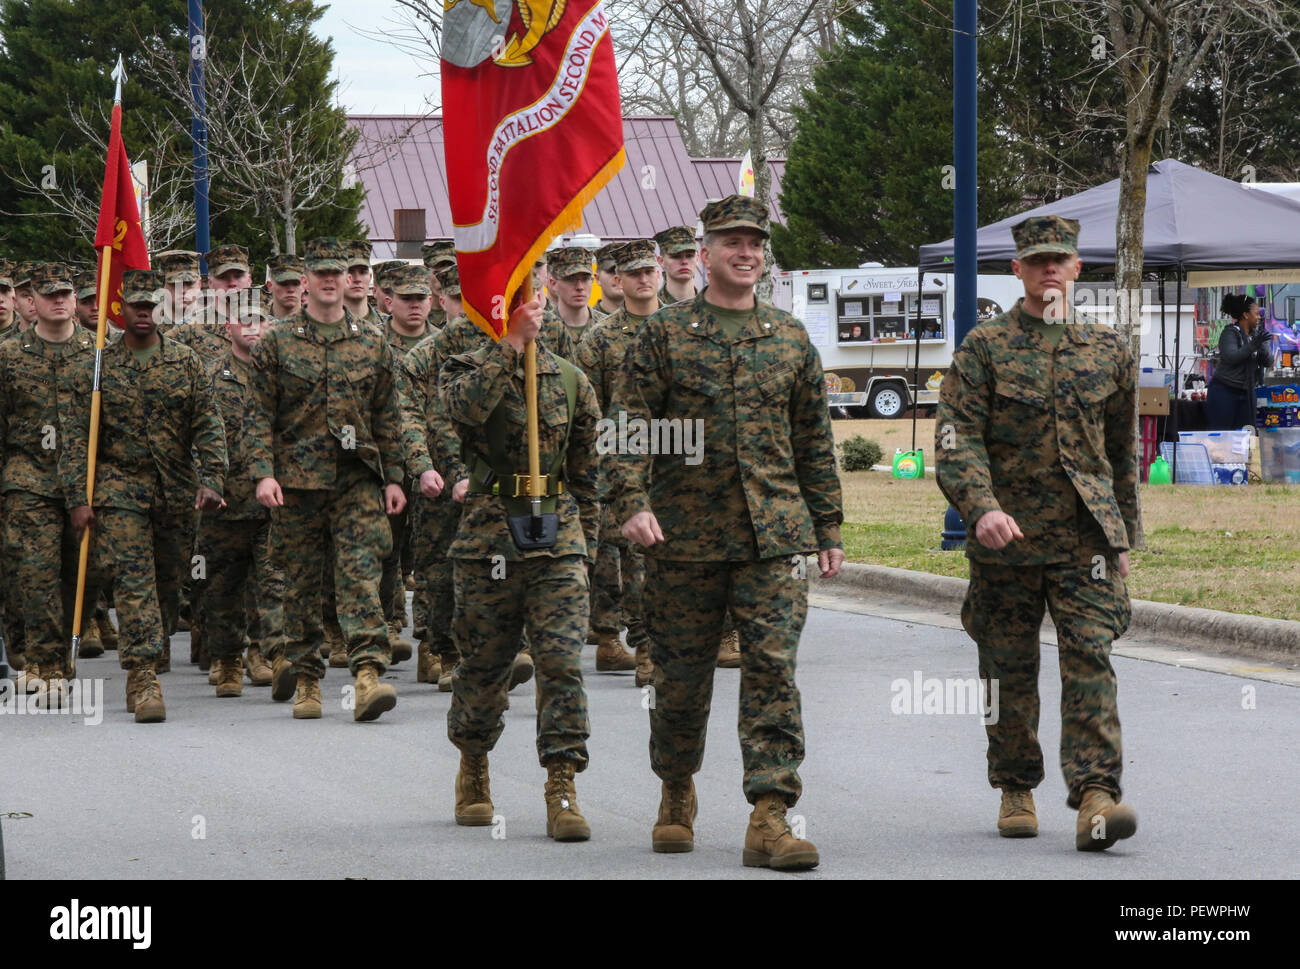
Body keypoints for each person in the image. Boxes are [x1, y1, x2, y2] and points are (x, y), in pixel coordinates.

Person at [611, 195, 845, 870]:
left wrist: (826, 524)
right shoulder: (665, 335)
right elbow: (628, 426)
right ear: (705, 252)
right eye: (731, 242)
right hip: (682, 537)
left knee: (773, 671)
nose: (745, 252)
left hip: (773, 536)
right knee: (682, 678)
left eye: (754, 242)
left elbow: (813, 438)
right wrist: (631, 499)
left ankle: (769, 815)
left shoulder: (789, 336)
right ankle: (676, 789)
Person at [935, 214, 1140, 852]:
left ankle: (1097, 796)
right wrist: (981, 507)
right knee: (1007, 669)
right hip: (1008, 541)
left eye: (1061, 259)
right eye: (1037, 260)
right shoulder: (984, 349)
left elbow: (1120, 451)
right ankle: (1016, 785)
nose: (1050, 269)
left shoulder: (1108, 349)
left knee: (1091, 660)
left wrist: (1123, 534)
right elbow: (955, 439)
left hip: (1086, 542)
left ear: (1078, 268)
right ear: (1018, 269)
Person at [246, 238, 441, 722]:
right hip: (297, 483)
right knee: (303, 584)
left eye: (339, 273)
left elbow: (388, 416)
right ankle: (307, 679)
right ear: (306, 281)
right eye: (321, 273)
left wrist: (395, 477)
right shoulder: (278, 341)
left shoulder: (371, 342)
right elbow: (257, 417)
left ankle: (368, 674)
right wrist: (263, 474)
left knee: (360, 574)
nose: (331, 280)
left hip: (358, 479)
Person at [440, 288, 602, 842]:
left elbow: (587, 474)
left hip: (558, 538)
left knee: (560, 662)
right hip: (489, 539)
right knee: (485, 667)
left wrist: (588, 550)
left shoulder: (572, 380)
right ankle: (474, 763)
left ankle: (562, 785)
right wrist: (509, 346)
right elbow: (459, 412)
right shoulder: (467, 369)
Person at [63, 268, 228, 723]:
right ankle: (142, 676)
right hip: (119, 491)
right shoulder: (97, 367)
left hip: (175, 490)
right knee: (133, 582)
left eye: (151, 305)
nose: (144, 313)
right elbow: (79, 437)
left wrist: (212, 477)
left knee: (167, 582)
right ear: (122, 308)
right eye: (135, 305)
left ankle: (152, 652)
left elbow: (208, 424)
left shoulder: (186, 362)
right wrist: (79, 498)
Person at [0, 263, 106, 705]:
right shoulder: (8, 356)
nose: (60, 300)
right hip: (29, 479)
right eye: (49, 294)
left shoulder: (101, 352)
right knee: (36, 572)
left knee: (85, 571)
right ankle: (45, 666)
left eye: (65, 293)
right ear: (33, 302)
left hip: (88, 482)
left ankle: (60, 654)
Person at [574, 239, 659, 681]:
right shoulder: (600, 338)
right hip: (616, 460)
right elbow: (587, 407)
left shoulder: (682, 327)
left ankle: (657, 645)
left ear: (659, 272)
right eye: (634, 273)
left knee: (660, 559)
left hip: (674, 459)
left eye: (649, 271)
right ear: (618, 280)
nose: (643, 279)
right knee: (614, 556)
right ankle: (617, 640)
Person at [196, 305, 285, 697]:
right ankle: (227, 659)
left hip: (273, 500)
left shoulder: (283, 374)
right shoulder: (210, 375)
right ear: (229, 325)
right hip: (225, 501)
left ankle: (267, 654)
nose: (254, 328)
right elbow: (197, 434)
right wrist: (205, 483)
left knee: (273, 583)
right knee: (222, 586)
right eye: (245, 320)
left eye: (261, 321)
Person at [1208, 293, 1271, 430]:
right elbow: (1231, 357)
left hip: (1247, 393)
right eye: (1256, 313)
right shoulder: (1230, 333)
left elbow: (1269, 361)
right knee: (1223, 435)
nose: (1259, 317)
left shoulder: (1255, 335)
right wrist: (1253, 345)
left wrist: (1261, 346)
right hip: (1224, 391)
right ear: (1246, 315)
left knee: (1246, 436)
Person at [548, 247, 598, 347]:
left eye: (585, 279)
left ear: (592, 281)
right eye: (570, 279)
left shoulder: (610, 326)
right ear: (553, 284)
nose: (579, 287)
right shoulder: (541, 328)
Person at [654, 225, 699, 305]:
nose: (684, 261)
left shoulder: (711, 306)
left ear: (697, 259)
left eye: (689, 256)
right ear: (661, 261)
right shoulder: (652, 307)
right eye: (676, 256)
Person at [266, 254, 306, 320]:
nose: (291, 289)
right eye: (283, 283)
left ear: (304, 286)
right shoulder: (257, 324)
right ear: (270, 286)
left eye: (296, 283)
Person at [591, 243, 623, 320]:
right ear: (597, 278)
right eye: (612, 271)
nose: (617, 277)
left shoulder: (650, 319)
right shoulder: (585, 322)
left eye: (623, 271)